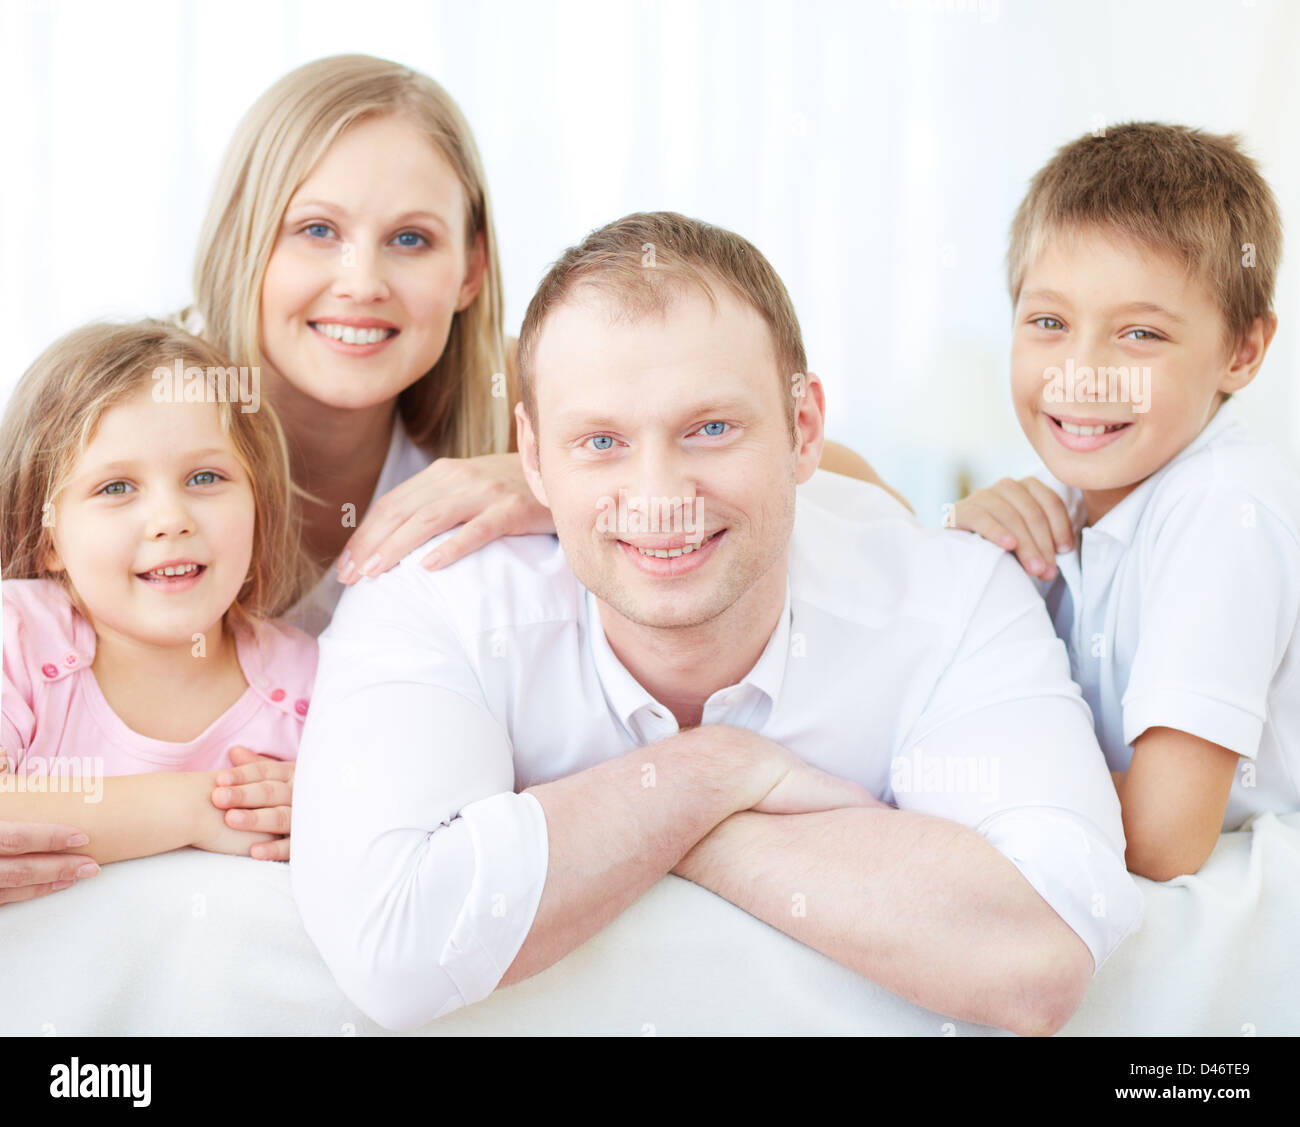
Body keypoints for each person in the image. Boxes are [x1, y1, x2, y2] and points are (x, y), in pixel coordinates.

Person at [291, 211, 1142, 1036]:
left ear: (804, 429)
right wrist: (714, 771)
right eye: (600, 442)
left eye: (710, 428)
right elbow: (392, 950)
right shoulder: (434, 592)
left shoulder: (952, 597)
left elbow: (1047, 948)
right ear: (534, 456)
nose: (660, 499)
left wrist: (658, 823)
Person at [187, 54, 896, 640]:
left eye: (411, 239)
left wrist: (555, 484)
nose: (363, 283)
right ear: (241, 241)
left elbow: (856, 486)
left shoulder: (530, 387)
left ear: (470, 269)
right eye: (317, 230)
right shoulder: (141, 407)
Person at [950, 123, 1300, 881]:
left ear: (1242, 351)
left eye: (1140, 333)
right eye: (1049, 322)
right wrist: (966, 547)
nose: (1082, 374)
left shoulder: (1221, 505)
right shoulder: (1079, 499)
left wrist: (940, 786)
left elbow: (1160, 835)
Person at [0, 321, 316, 884]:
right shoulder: (19, 639)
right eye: (116, 487)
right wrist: (195, 809)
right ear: (49, 536)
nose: (171, 520)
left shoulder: (313, 686)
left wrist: (334, 805)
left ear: (257, 504)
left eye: (204, 476)